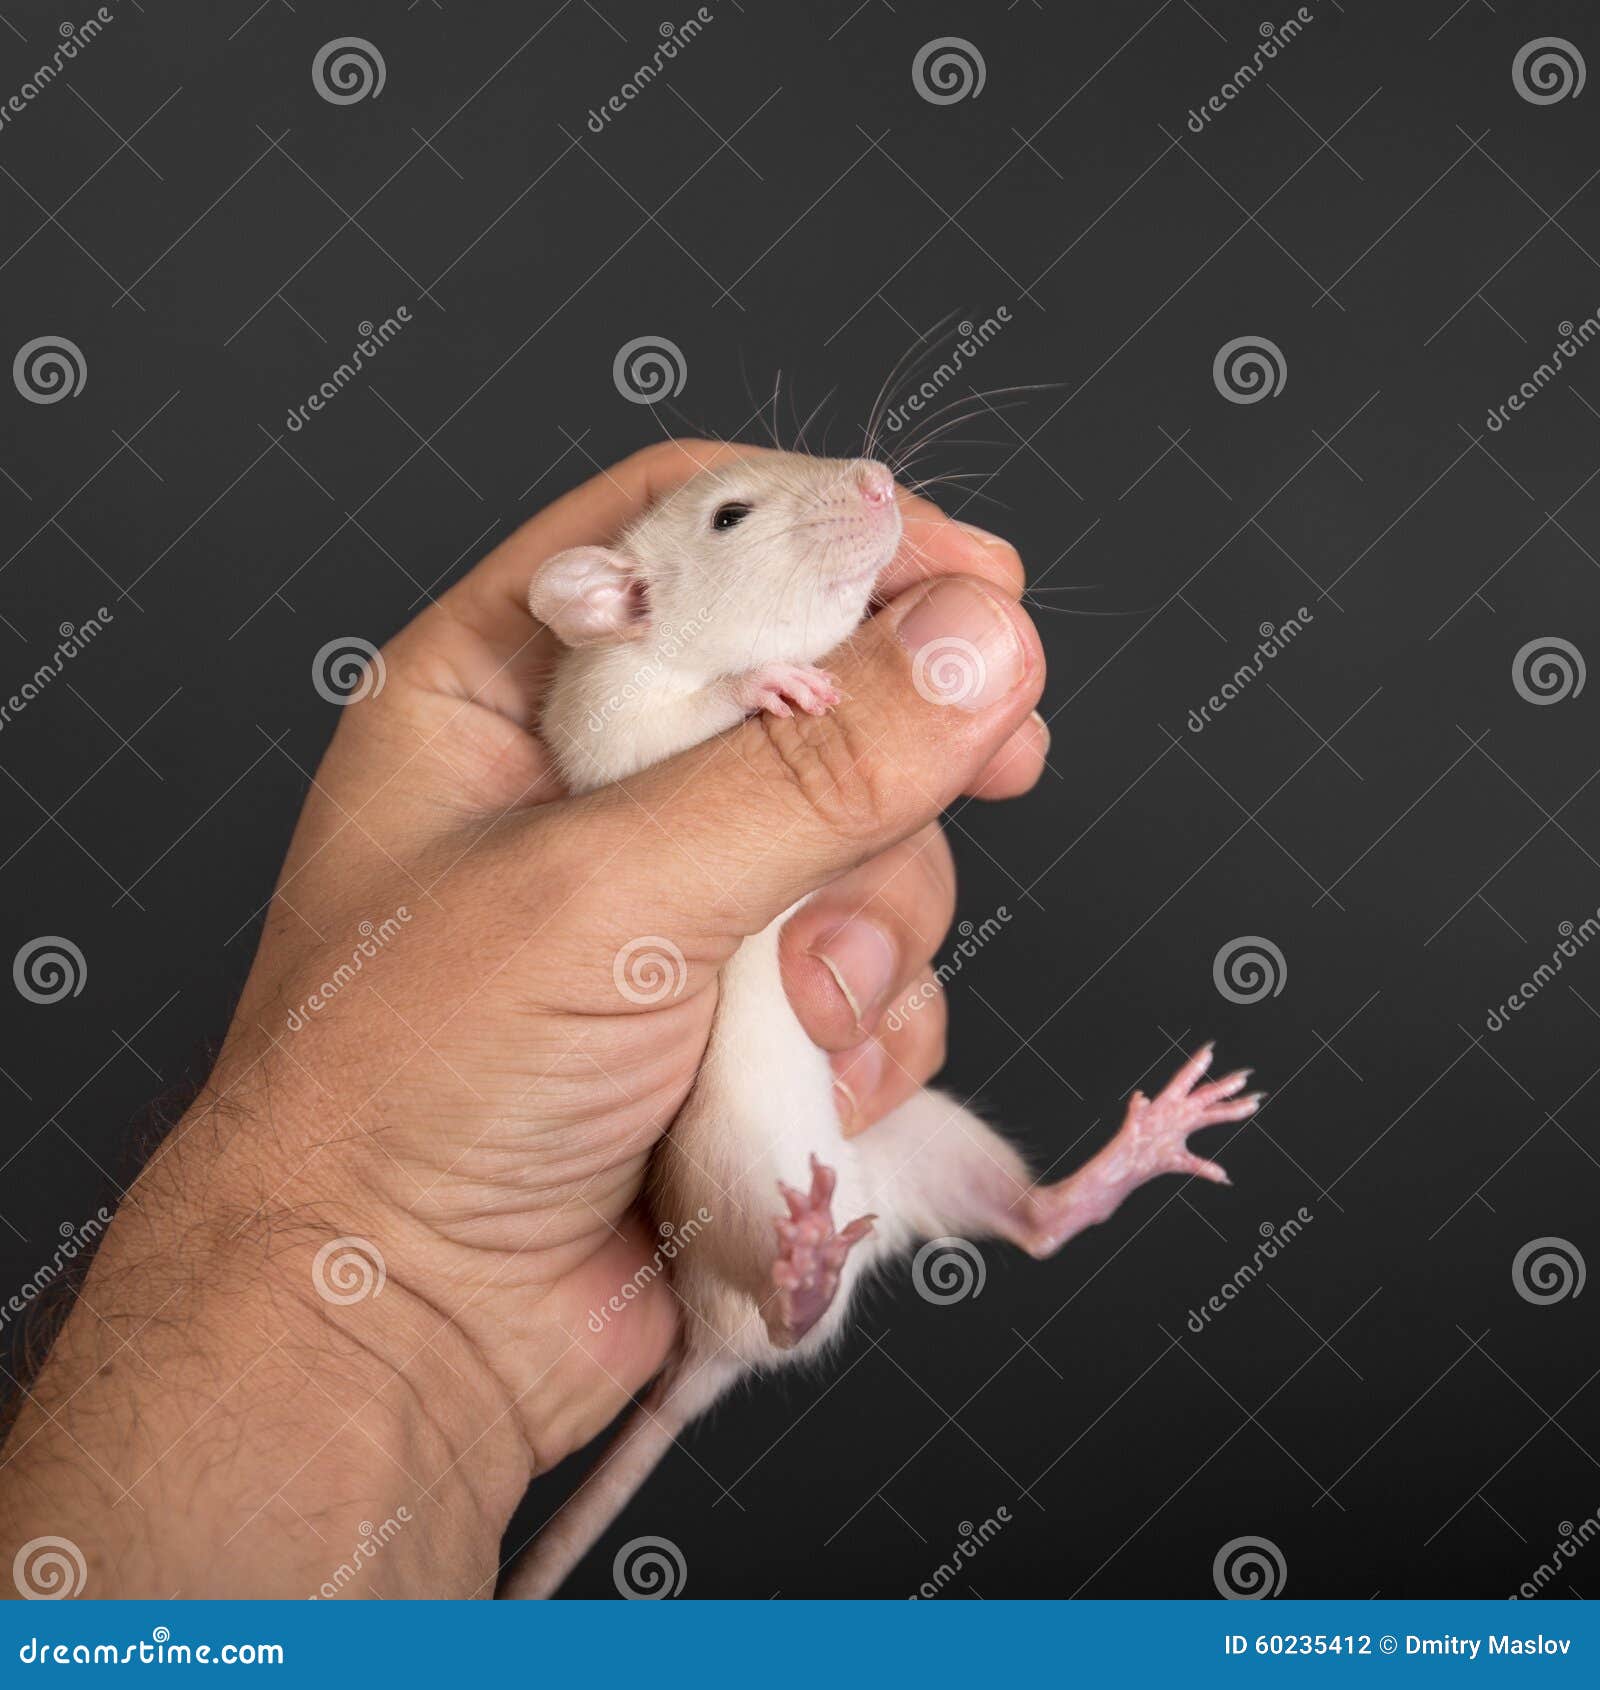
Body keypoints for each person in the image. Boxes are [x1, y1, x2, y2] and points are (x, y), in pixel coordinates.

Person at [0, 440, 1046, 1599]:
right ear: (623, 598)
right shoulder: (622, 666)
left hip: (696, 1179)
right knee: (810, 1119)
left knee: (872, 1110)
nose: (868, 481)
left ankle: (1008, 1213)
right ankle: (796, 1282)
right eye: (741, 514)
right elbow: (612, 747)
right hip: (730, 1199)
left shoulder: (732, 659)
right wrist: (739, 700)